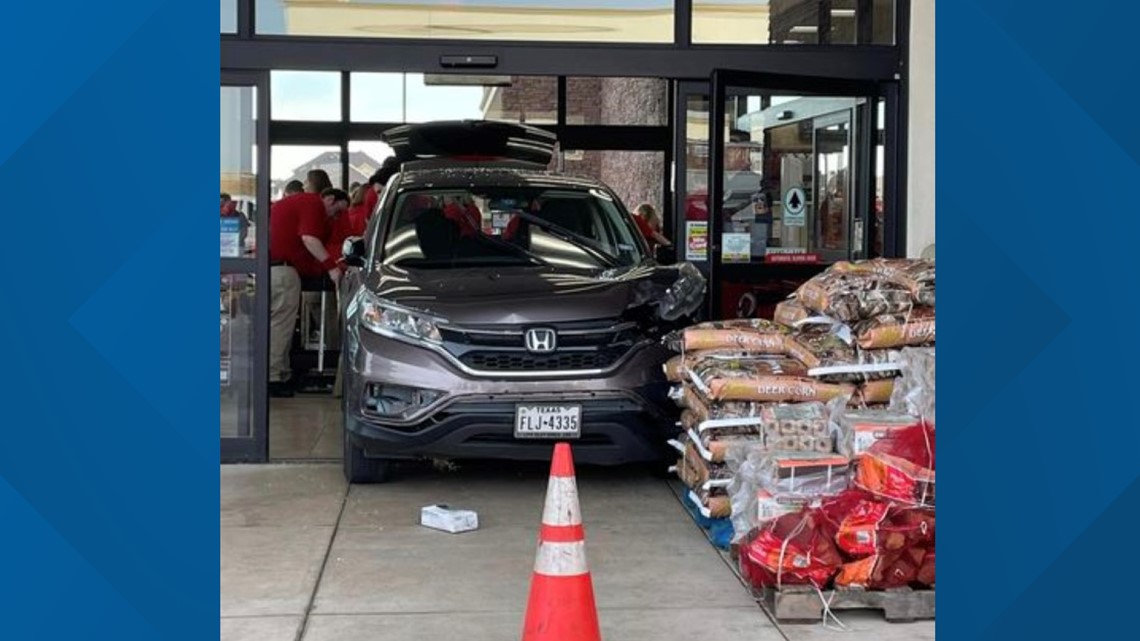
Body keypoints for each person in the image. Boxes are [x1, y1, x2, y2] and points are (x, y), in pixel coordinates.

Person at [267, 169, 341, 398]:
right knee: (281, 325)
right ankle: (274, 377)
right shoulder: (313, 203)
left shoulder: (289, 204)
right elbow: (309, 238)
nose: (333, 217)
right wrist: (331, 267)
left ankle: (278, 372)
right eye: (336, 211)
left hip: (268, 268)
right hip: (284, 271)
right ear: (329, 199)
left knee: (272, 323)